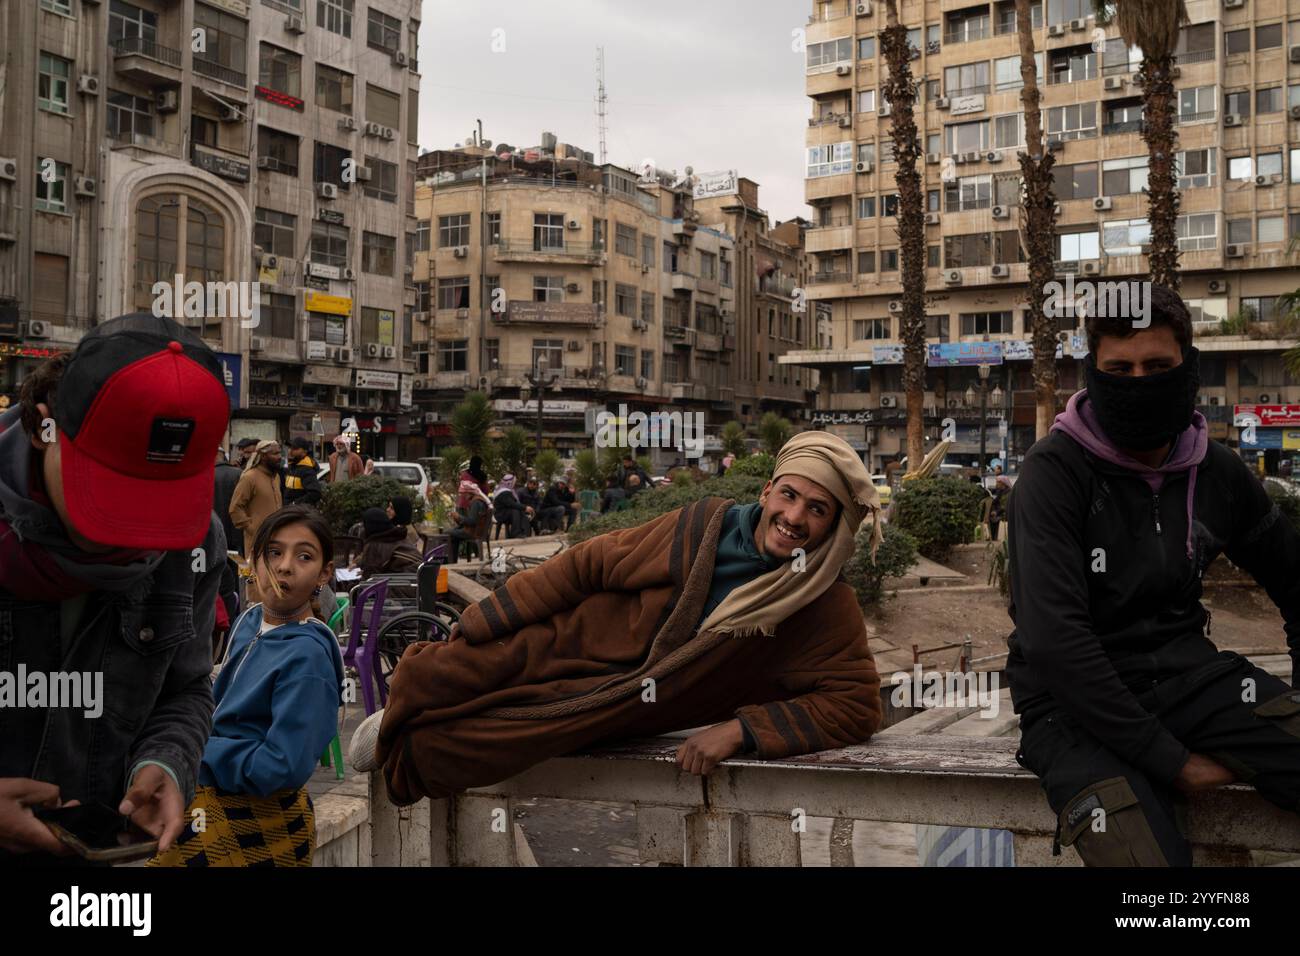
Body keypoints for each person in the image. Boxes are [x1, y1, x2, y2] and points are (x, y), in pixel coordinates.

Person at [349, 432, 885, 802]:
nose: (794, 518)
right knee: (444, 671)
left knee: (486, 744)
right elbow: (588, 564)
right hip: (567, 637)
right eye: (789, 495)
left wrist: (741, 732)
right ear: (768, 491)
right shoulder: (703, 525)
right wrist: (488, 617)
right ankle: (399, 711)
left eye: (816, 509)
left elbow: (857, 706)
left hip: (620, 700)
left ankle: (403, 740)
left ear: (834, 526)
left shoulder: (820, 603)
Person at [1007, 286, 1300, 867]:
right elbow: (1056, 644)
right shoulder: (1052, 474)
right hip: (1071, 712)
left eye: (1157, 366)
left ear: (1187, 368)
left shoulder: (1217, 472)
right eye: (1120, 368)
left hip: (1192, 681)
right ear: (1093, 372)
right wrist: (1172, 761)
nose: (1138, 381)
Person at [0, 312, 228, 862]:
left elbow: (186, 689)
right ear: (42, 425)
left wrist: (166, 763)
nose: (132, 534)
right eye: (111, 491)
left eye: (157, 502)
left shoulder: (196, 545)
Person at [149, 506, 343, 867]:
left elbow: (281, 765)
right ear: (252, 562)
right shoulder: (249, 620)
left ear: (324, 573)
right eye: (274, 552)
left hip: (261, 817)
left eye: (304, 556)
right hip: (212, 793)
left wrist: (202, 750)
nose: (285, 566)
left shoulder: (308, 657)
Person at [229, 440, 283, 557]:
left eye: (280, 453)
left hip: (277, 539)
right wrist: (253, 528)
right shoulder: (249, 477)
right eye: (275, 454)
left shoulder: (276, 477)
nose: (279, 457)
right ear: (263, 456)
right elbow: (235, 508)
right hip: (257, 542)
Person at [355, 507, 422, 577]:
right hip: (417, 578)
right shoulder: (396, 535)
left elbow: (370, 575)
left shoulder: (375, 544)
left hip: (404, 582)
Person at [447, 480, 492, 562]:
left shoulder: (476, 502)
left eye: (464, 494)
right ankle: (451, 560)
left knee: (449, 533)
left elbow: (472, 522)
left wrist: (459, 517)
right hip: (477, 530)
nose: (463, 496)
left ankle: (451, 561)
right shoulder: (478, 500)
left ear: (469, 493)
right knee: (453, 532)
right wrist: (457, 518)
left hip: (475, 532)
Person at [214, 447, 244, 557]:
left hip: (215, 531)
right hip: (236, 530)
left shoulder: (207, 475)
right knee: (238, 564)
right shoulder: (240, 473)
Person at [282, 437, 322, 507]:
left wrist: (295, 504)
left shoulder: (306, 470)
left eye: (295, 449)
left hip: (300, 514)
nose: (290, 451)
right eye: (290, 448)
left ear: (305, 452)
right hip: (289, 512)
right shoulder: (292, 467)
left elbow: (315, 493)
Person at [492, 474, 530, 538]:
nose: (514, 484)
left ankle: (525, 533)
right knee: (515, 510)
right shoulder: (503, 492)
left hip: (506, 513)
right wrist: (525, 507)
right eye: (514, 482)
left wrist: (524, 508)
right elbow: (511, 504)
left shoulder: (508, 491)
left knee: (520, 511)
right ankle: (516, 533)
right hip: (500, 515)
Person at [987, 475, 1011, 543]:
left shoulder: (1008, 492)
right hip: (999, 511)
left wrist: (996, 512)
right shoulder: (999, 491)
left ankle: (994, 537)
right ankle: (993, 537)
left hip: (1005, 513)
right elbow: (995, 501)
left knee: (994, 518)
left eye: (998, 482)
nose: (996, 484)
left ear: (1003, 483)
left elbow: (1004, 506)